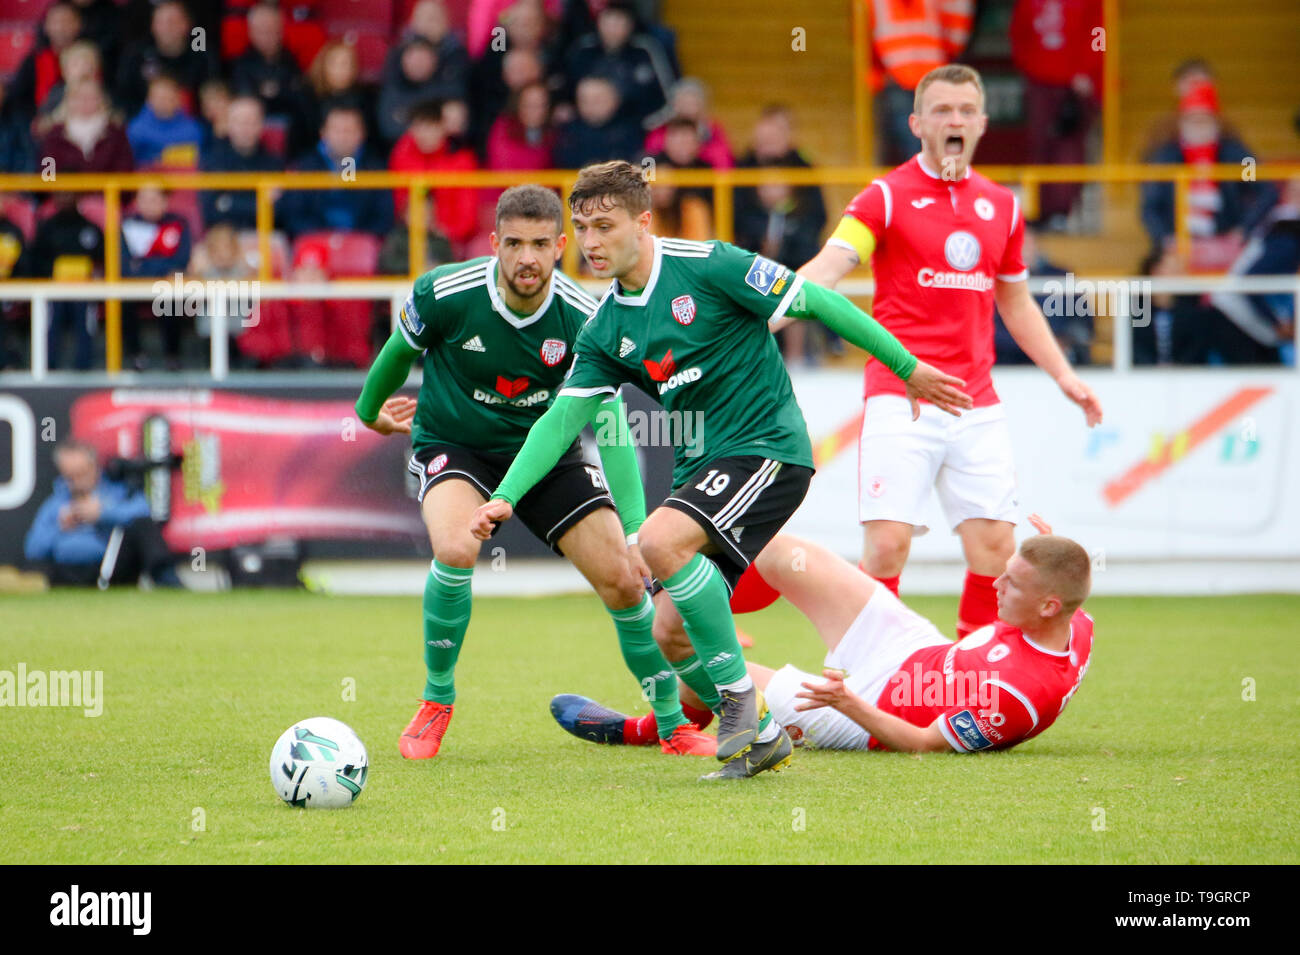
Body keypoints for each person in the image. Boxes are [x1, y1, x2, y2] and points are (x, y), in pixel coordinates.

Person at [469, 160, 972, 779]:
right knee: (671, 635)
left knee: (658, 540)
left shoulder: (710, 264)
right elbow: (561, 421)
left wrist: (906, 366)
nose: (592, 243)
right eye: (583, 227)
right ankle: (761, 737)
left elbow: (817, 301)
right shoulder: (604, 329)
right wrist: (508, 496)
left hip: (768, 449)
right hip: (704, 469)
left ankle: (738, 704)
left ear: (644, 222)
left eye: (606, 225)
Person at [353, 184, 714, 760]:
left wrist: (637, 528)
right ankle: (436, 700)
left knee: (624, 580)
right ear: (495, 244)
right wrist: (368, 413)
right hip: (456, 445)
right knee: (455, 549)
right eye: (515, 244)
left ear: (561, 246)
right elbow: (399, 351)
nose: (527, 258)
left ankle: (672, 725)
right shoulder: (446, 293)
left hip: (548, 456)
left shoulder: (586, 315)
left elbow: (613, 425)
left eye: (540, 244)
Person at [794, 64, 1103, 638]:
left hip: (975, 404)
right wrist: (779, 301)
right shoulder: (885, 197)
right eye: (941, 110)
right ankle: (870, 679)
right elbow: (832, 265)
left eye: (965, 110)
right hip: (901, 394)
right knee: (887, 546)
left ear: (982, 124)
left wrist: (1064, 375)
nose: (954, 120)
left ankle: (972, 679)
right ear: (917, 123)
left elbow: (1014, 302)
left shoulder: (1002, 207)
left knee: (995, 548)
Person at [553, 516, 1094, 755]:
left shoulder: (1018, 697)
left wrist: (848, 703)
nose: (996, 583)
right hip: (910, 646)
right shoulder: (1071, 619)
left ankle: (652, 729)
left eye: (1014, 583)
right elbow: (1069, 581)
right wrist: (1049, 548)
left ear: (1048, 605)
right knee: (782, 552)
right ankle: (707, 619)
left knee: (690, 664)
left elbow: (925, 744)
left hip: (867, 713)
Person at [23, 440, 182, 588]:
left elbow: (144, 513)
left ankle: (168, 581)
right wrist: (60, 527)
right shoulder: (55, 504)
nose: (77, 482)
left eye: (82, 473)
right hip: (70, 573)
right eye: (70, 477)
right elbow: (32, 549)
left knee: (142, 528)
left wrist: (103, 514)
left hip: (112, 566)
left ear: (94, 467)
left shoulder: (115, 490)